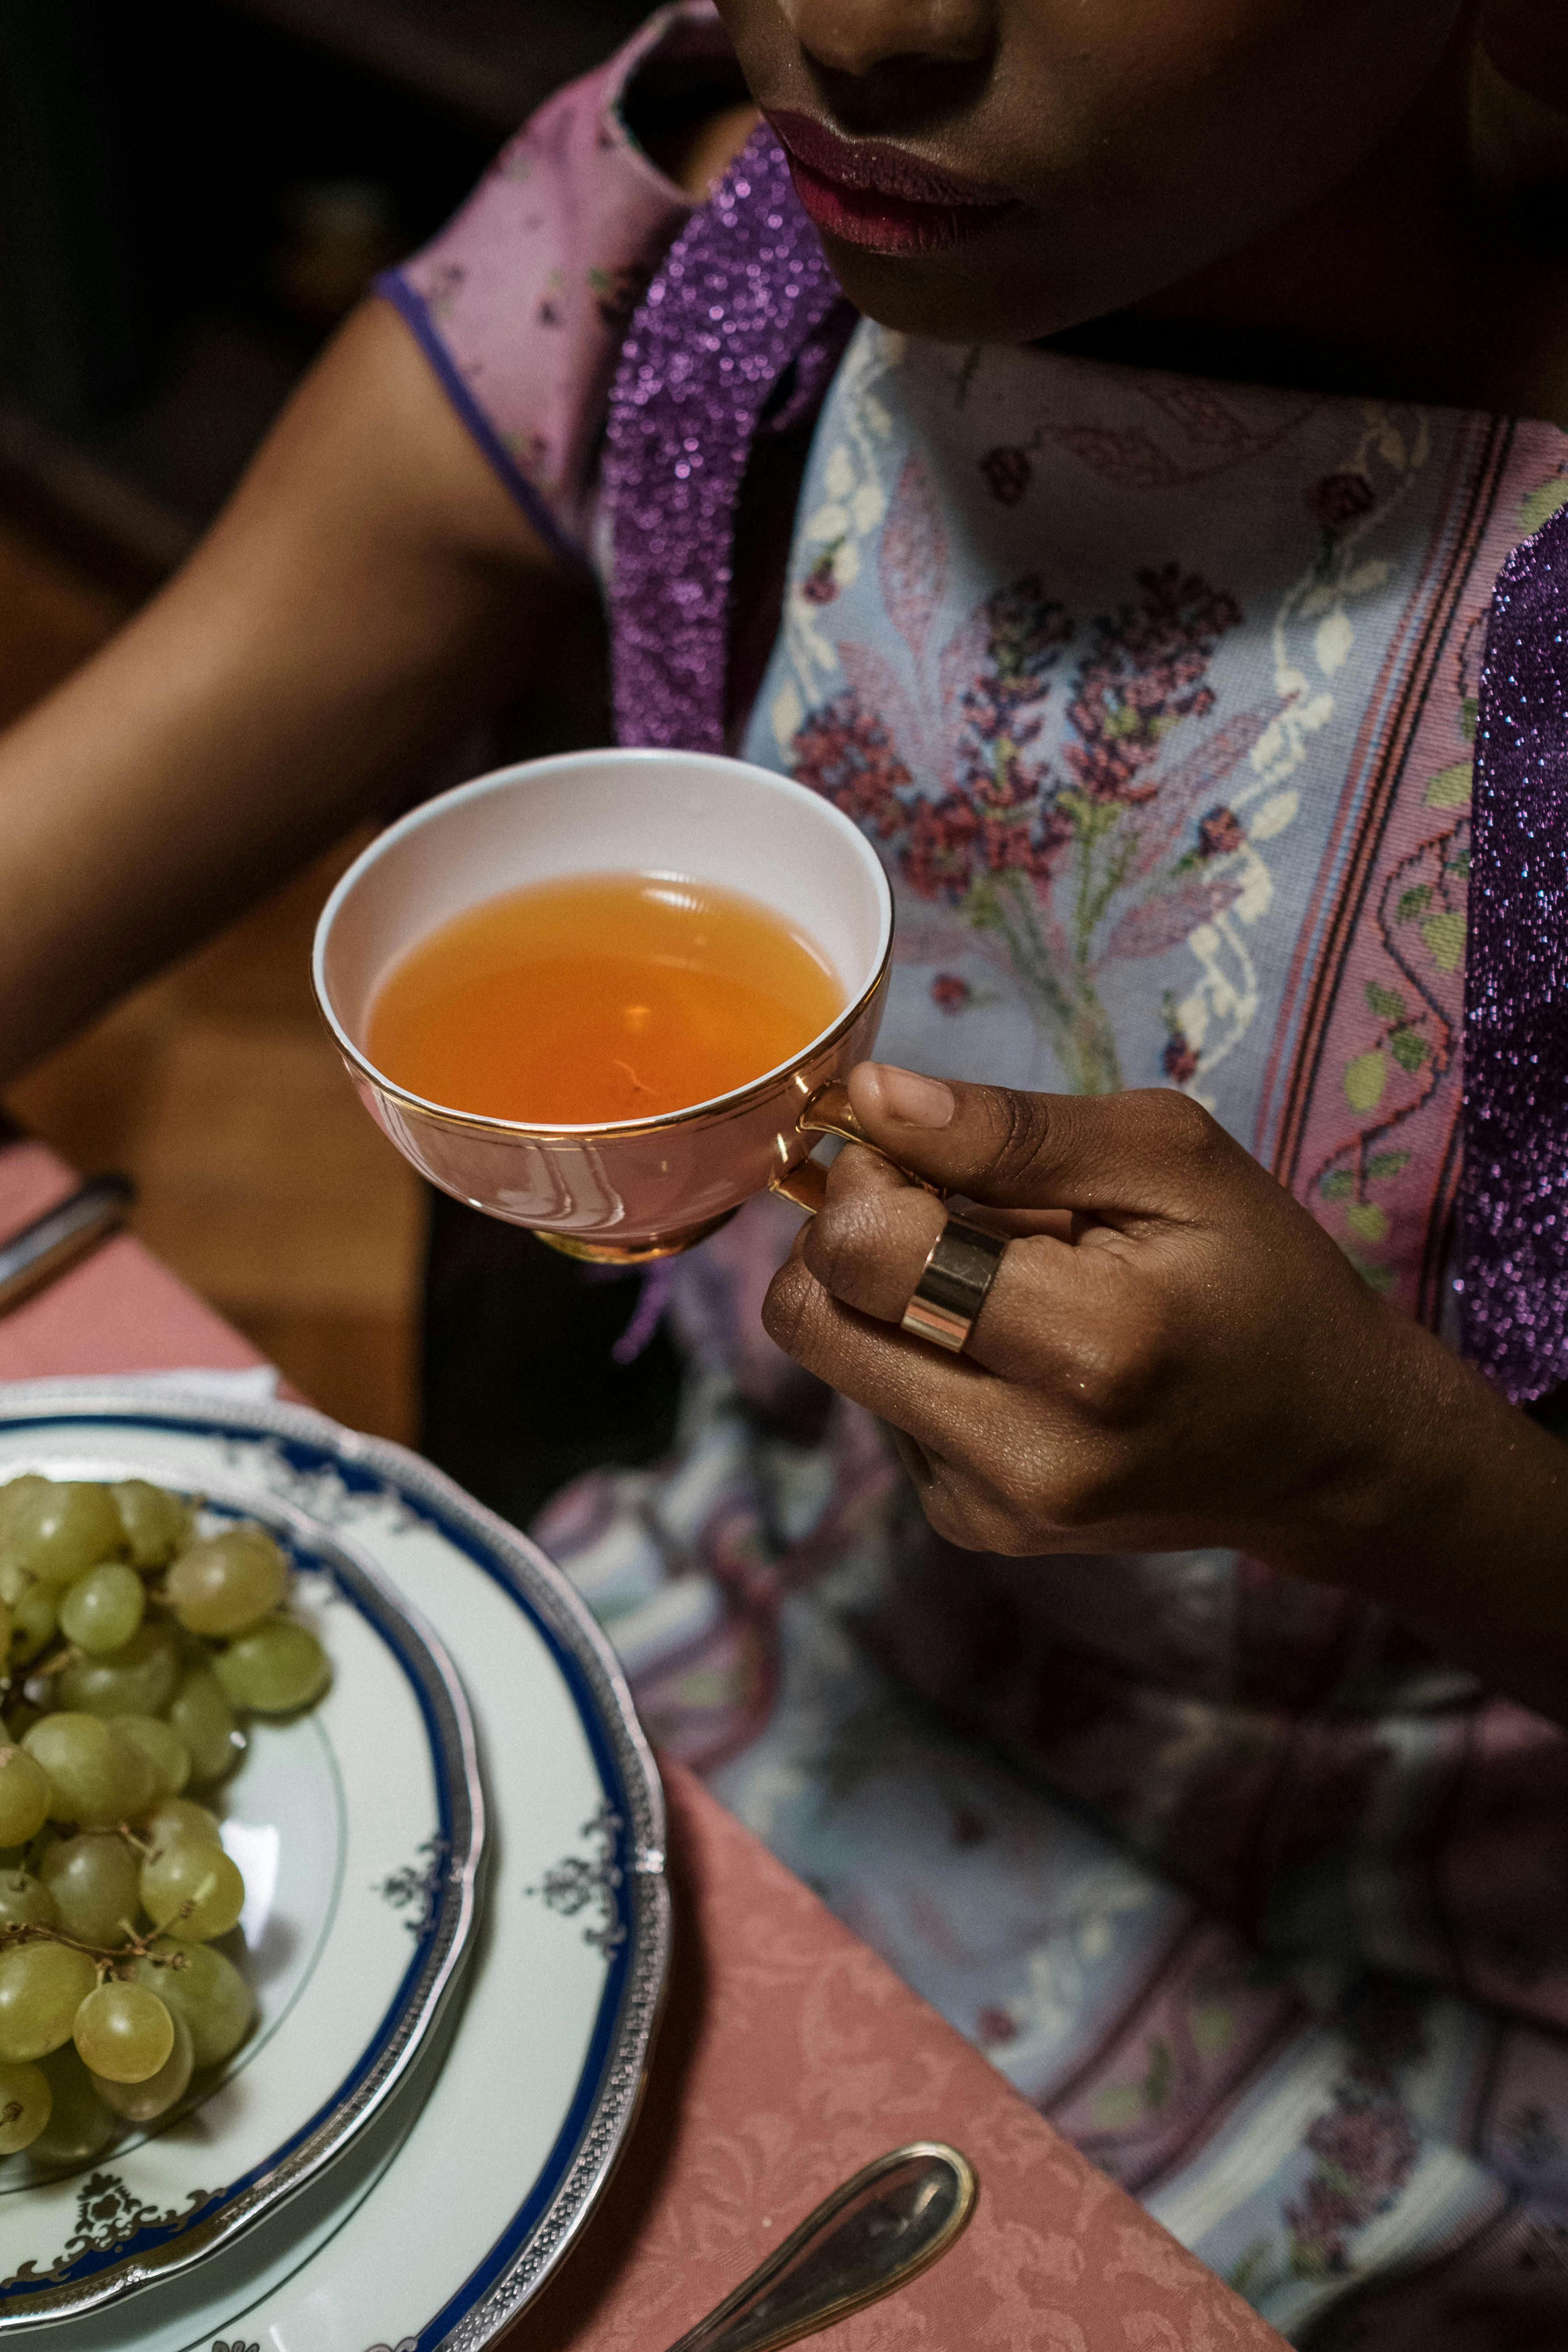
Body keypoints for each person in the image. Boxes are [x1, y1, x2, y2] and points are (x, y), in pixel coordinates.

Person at [3, 1, 1568, 2337]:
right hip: (749, 1672)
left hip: (1405, 1977)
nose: (853, 21)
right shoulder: (689, 239)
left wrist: (1387, 1473)